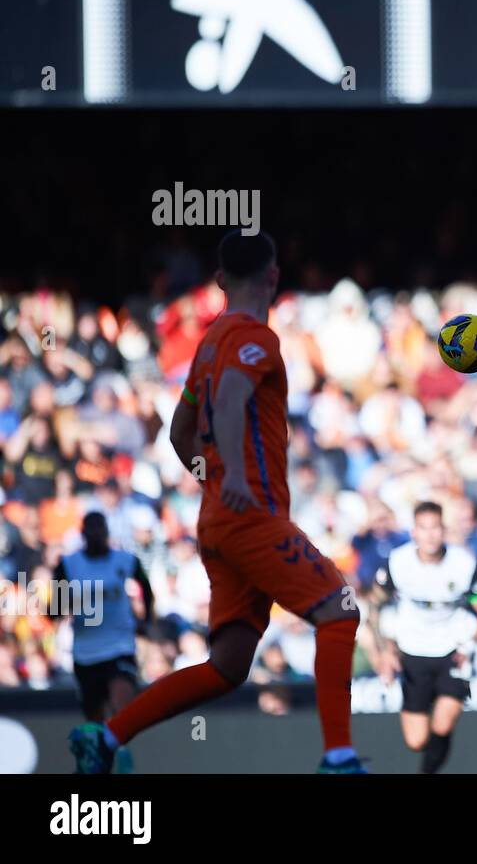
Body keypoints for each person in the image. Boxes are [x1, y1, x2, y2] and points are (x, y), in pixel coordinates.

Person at [68, 230, 363, 774]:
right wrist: (235, 479)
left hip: (219, 522)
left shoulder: (206, 345)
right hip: (250, 516)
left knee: (227, 666)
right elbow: (230, 399)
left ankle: (107, 737)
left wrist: (213, 476)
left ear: (222, 281)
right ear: (273, 276)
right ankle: (339, 757)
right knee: (339, 611)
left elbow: (181, 433)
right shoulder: (256, 337)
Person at [369, 501, 477, 773]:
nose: (430, 535)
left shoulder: (465, 563)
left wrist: (469, 643)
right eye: (423, 528)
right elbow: (374, 607)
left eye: (435, 528)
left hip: (453, 649)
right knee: (416, 740)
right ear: (414, 532)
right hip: (412, 649)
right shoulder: (397, 562)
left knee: (443, 724)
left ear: (443, 530)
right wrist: (384, 651)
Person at [50, 511, 154, 773]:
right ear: (83, 535)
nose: (96, 537)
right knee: (95, 720)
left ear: (107, 533)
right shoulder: (69, 565)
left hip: (119, 646)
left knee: (123, 707)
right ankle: (99, 764)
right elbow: (53, 611)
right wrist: (70, 604)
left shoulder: (125, 561)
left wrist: (146, 621)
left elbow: (147, 588)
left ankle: (123, 754)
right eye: (91, 532)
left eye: (100, 531)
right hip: (86, 652)